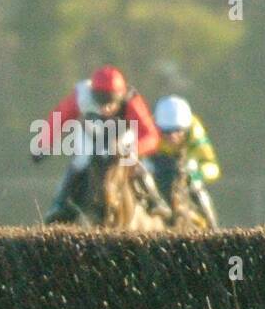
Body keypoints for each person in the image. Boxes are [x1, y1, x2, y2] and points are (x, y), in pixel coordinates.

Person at [35, 65, 171, 223]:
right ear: (93, 94)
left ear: (120, 96)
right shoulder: (81, 96)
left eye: (110, 102)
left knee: (133, 160)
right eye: (100, 101)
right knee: (81, 161)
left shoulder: (132, 100)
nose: (105, 107)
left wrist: (133, 149)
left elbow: (151, 136)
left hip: (122, 135)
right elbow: (60, 117)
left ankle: (155, 200)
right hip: (92, 134)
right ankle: (60, 204)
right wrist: (44, 143)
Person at [149, 95, 220, 227]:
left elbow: (212, 165)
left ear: (186, 128)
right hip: (158, 170)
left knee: (199, 191)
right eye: (166, 131)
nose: (172, 136)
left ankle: (213, 230)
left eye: (177, 130)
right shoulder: (150, 129)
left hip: (186, 171)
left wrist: (197, 175)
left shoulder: (195, 131)